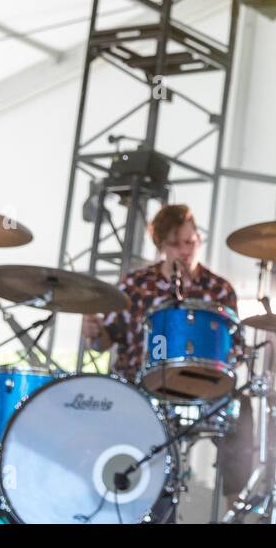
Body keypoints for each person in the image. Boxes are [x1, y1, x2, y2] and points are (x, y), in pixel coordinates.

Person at [81, 204, 253, 517]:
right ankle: (111, 507)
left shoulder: (218, 289)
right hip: (139, 388)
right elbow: (104, 341)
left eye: (191, 241)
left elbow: (237, 350)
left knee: (242, 416)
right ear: (161, 246)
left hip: (203, 388)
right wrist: (92, 332)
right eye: (176, 244)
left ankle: (235, 510)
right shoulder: (134, 285)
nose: (185, 250)